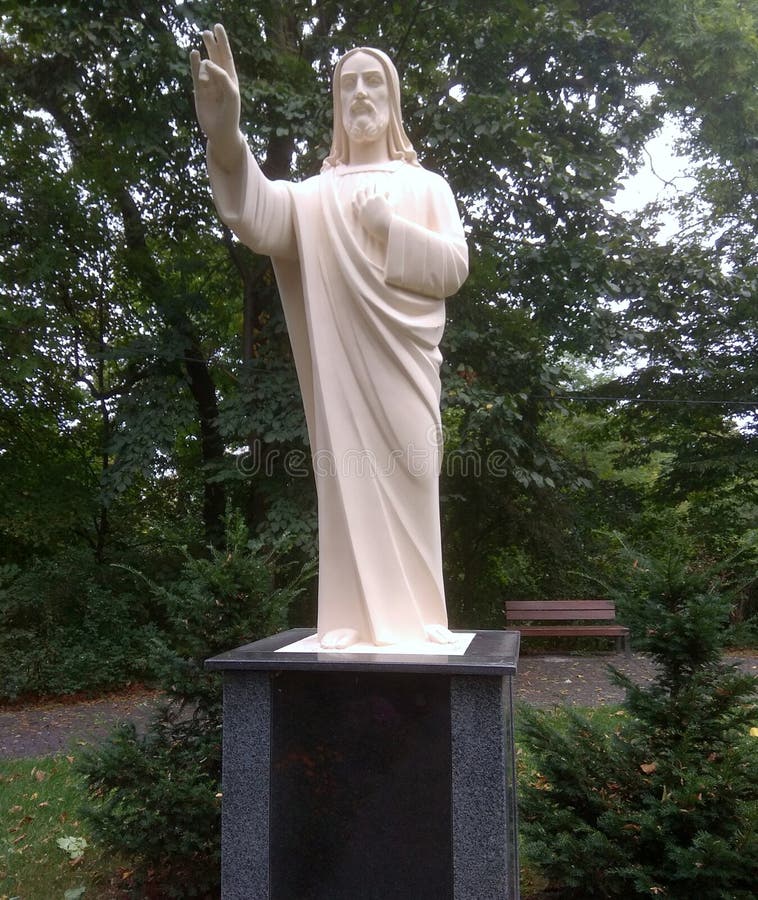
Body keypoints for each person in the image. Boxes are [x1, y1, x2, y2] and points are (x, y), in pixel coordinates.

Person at [191, 25, 468, 649]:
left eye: (373, 82)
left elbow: (452, 267)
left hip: (405, 364)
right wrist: (226, 135)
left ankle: (421, 614)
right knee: (345, 479)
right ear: (337, 104)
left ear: (393, 99)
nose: (361, 93)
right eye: (348, 85)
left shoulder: (427, 187)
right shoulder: (313, 198)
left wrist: (387, 226)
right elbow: (254, 214)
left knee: (414, 471)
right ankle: (346, 614)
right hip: (342, 372)